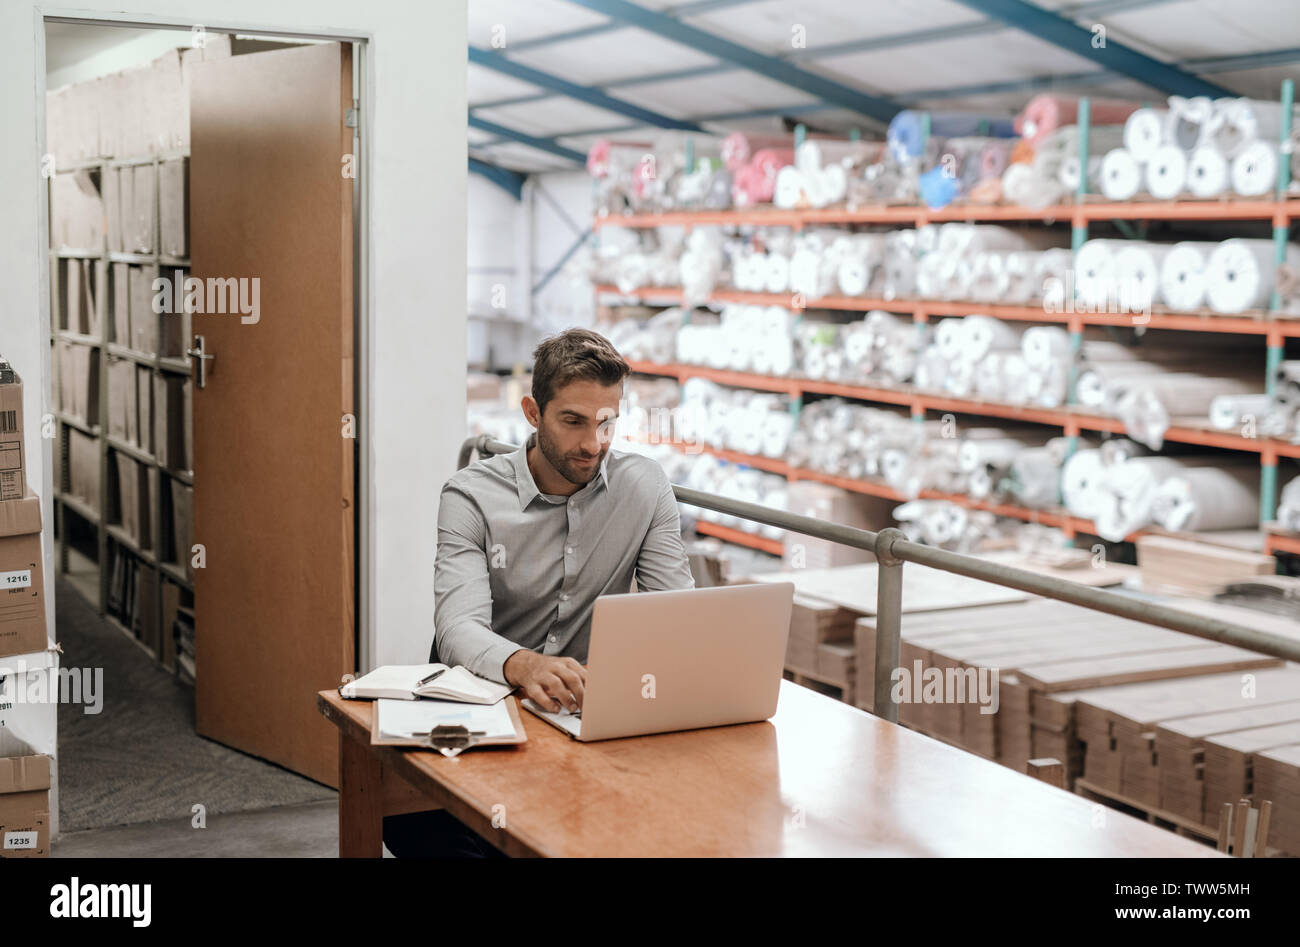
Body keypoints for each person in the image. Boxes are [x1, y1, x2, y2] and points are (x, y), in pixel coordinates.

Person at [383, 327, 695, 857]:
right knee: (431, 828)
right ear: (532, 412)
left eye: (606, 423)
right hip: (483, 707)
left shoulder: (644, 487)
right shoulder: (471, 496)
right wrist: (524, 666)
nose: (592, 444)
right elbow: (457, 628)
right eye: (572, 421)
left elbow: (678, 616)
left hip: (577, 717)